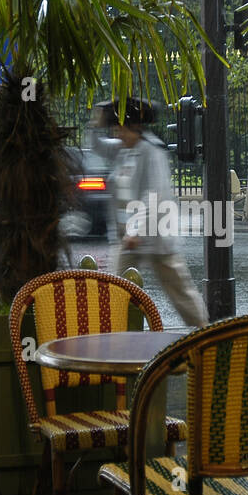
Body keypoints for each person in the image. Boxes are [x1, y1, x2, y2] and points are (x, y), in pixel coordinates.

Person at [90, 97, 208, 328]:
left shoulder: (151, 152)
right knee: (113, 288)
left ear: (136, 128)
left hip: (154, 235)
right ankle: (111, 338)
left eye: (121, 129)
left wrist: (136, 231)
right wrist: (96, 122)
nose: (117, 135)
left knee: (179, 291)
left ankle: (204, 334)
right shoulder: (124, 150)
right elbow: (98, 147)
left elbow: (154, 196)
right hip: (127, 239)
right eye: (115, 129)